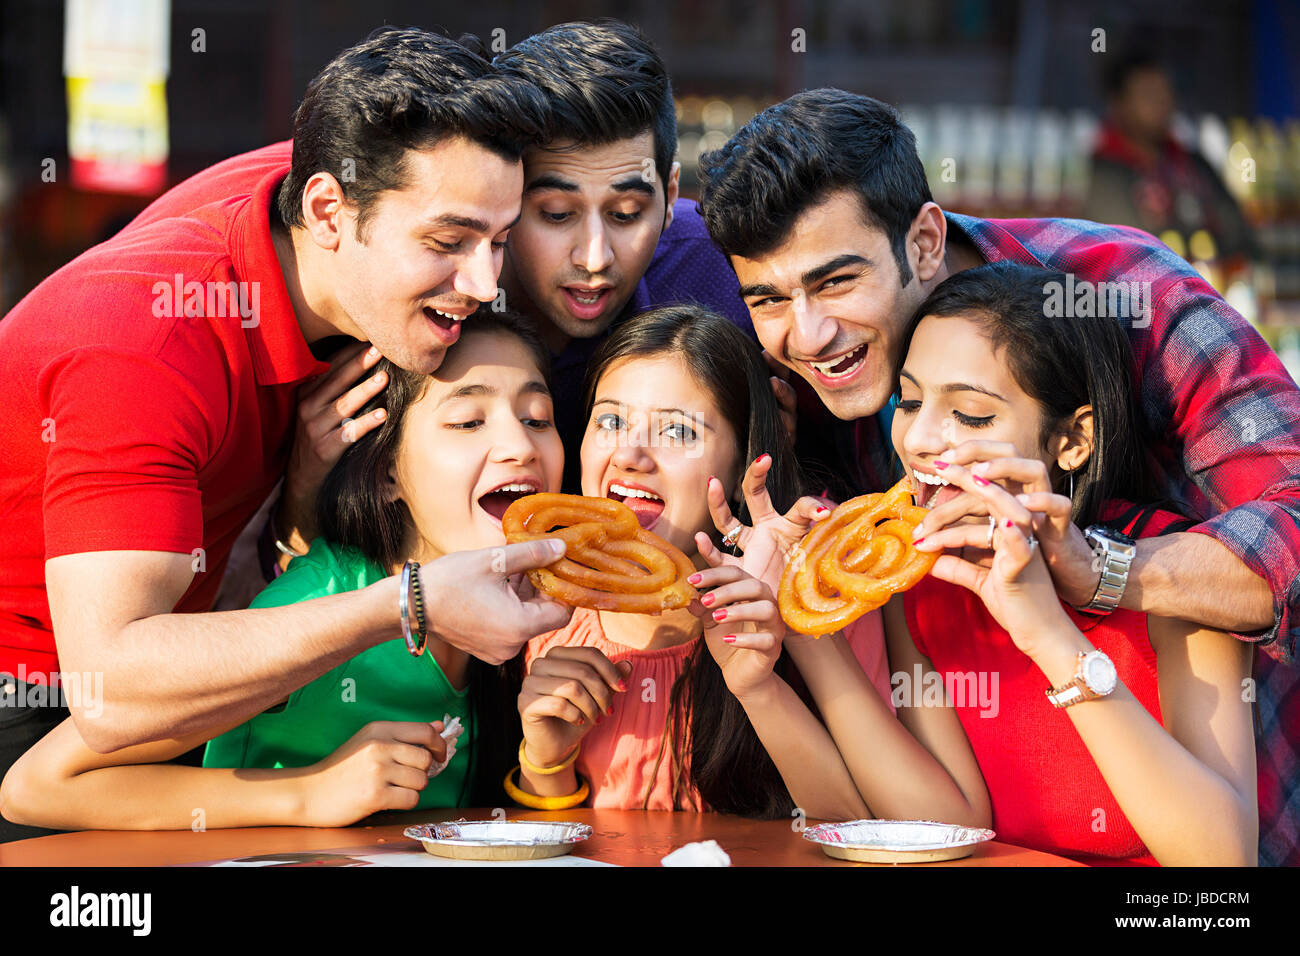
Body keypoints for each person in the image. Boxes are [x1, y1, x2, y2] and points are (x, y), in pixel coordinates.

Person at [697, 88, 1300, 864]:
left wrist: (1091, 574)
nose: (806, 334)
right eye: (769, 299)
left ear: (922, 243)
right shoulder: (816, 394)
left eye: (838, 281)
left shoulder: (1128, 295)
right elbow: (941, 814)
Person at [0, 29, 571, 842]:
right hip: (42, 696)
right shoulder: (145, 340)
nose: (484, 284)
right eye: (448, 243)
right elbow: (109, 684)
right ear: (327, 211)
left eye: (501, 240)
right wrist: (407, 602)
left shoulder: (345, 177)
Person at [727, 263, 1257, 865]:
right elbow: (946, 824)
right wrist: (805, 617)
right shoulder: (921, 576)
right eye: (910, 401)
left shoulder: (1178, 574)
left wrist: (1048, 634)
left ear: (1073, 441)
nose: (921, 438)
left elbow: (1223, 864)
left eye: (971, 415)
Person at [0, 312, 562, 829]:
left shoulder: (548, 617)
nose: (519, 445)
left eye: (538, 418)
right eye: (468, 421)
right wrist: (310, 792)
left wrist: (546, 758)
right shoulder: (316, 600)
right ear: (387, 473)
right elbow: (38, 785)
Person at [512, 305, 893, 816]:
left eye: (678, 432)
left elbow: (860, 825)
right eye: (610, 420)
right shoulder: (541, 611)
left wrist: (762, 685)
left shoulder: (820, 584)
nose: (630, 455)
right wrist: (545, 763)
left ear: (744, 462)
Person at [492, 20, 820, 492]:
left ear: (668, 195)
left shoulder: (729, 263)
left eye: (626, 213)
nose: (594, 257)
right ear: (502, 197)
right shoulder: (447, 300)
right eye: (558, 213)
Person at [1083, 51, 1255, 261]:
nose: (1162, 104)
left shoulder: (1194, 164)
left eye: (1166, 93)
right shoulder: (1104, 173)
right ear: (1119, 105)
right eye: (1148, 95)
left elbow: (1240, 235)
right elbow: (1137, 253)